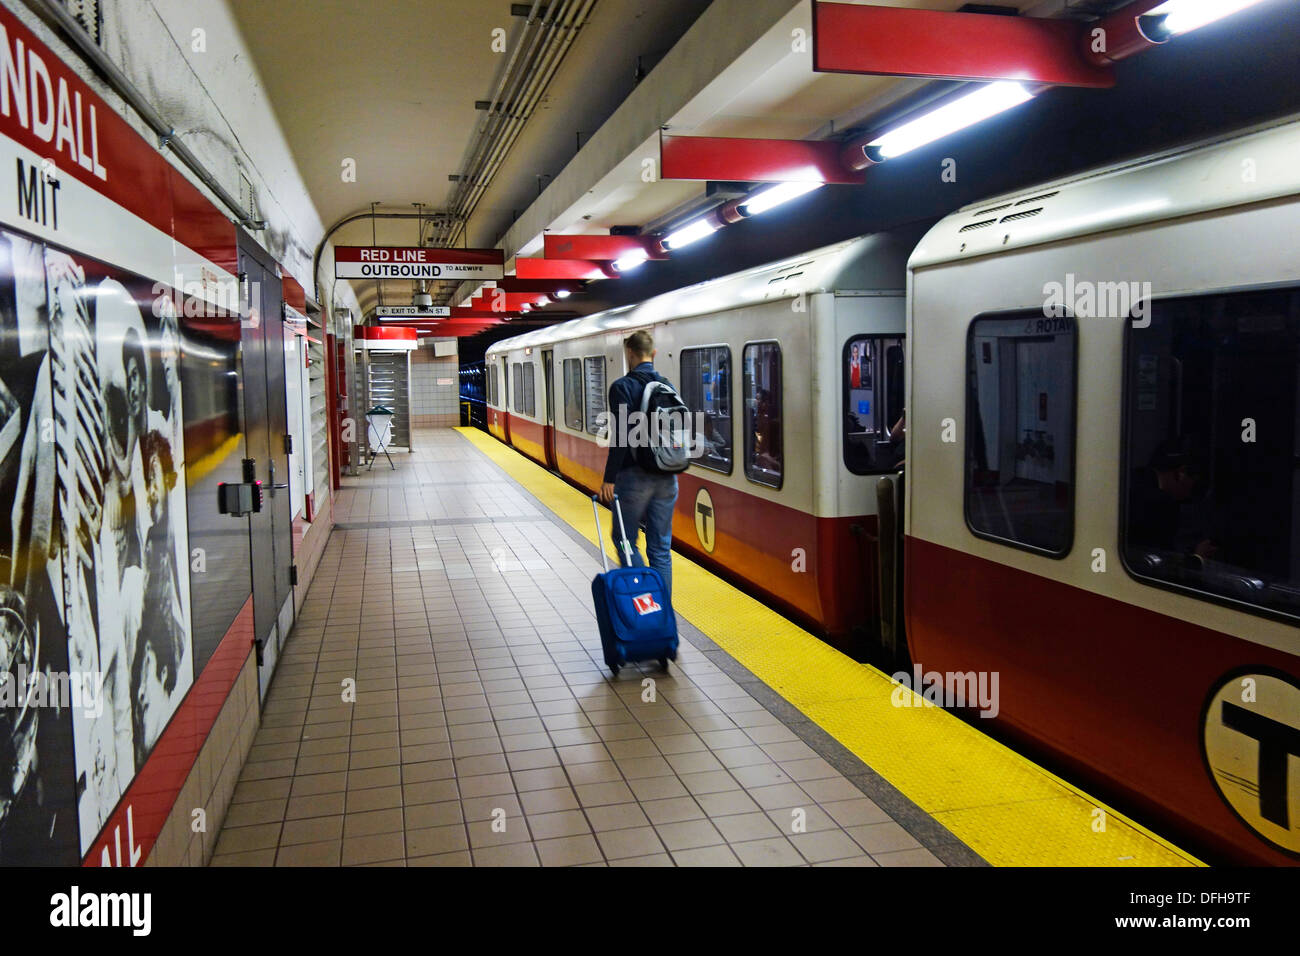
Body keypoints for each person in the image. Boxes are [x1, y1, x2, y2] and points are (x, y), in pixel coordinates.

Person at [599, 330, 679, 597]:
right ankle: (662, 611)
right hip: (668, 478)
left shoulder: (622, 387)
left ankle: (643, 602)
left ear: (629, 353)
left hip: (633, 479)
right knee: (660, 548)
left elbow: (622, 435)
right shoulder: (668, 385)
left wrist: (609, 478)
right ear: (653, 354)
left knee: (624, 540)